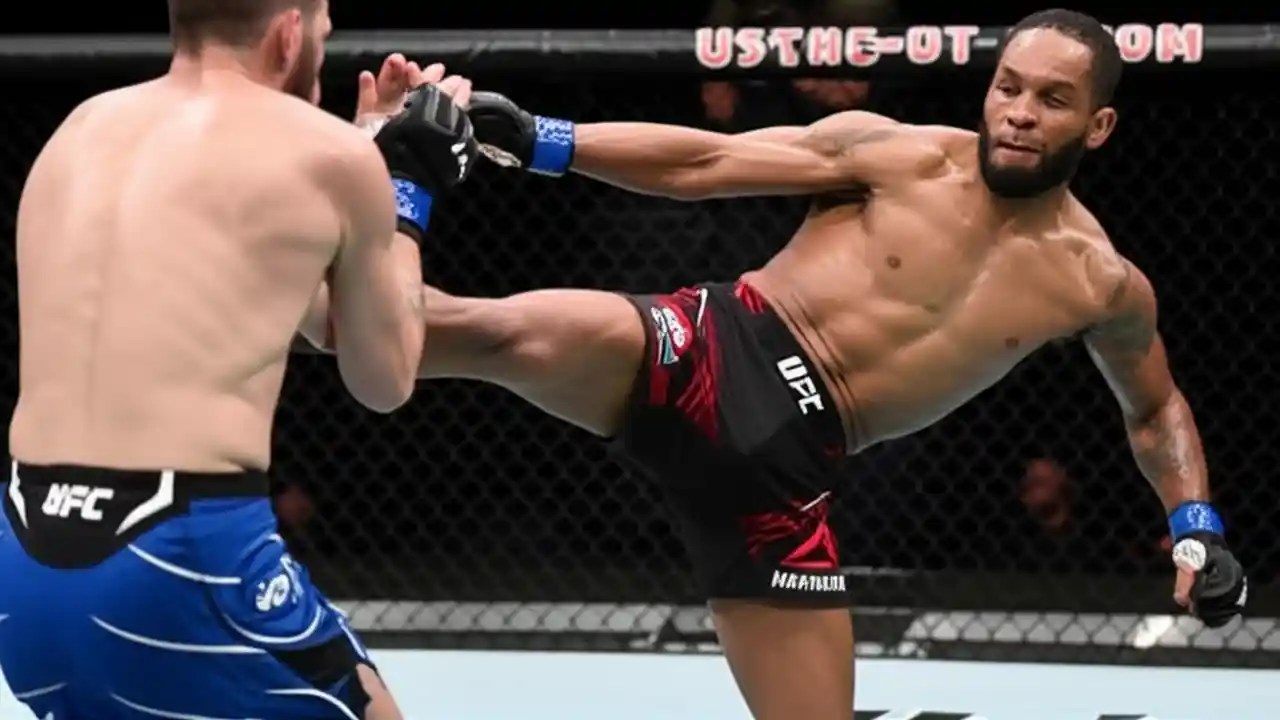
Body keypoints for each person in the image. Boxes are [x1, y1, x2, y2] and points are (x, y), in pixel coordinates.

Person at [305, 9, 1249, 720]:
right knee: (460, 332)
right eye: (1008, 87)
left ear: (1100, 127)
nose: (1017, 113)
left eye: (1051, 100)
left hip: (791, 474)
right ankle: (355, 196)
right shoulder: (897, 155)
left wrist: (1196, 526)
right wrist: (547, 140)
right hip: (710, 348)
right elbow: (707, 162)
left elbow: (1152, 405)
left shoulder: (1101, 282)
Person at [0, 0, 479, 717]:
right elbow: (384, 376)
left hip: (22, 554)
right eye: (323, 24)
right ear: (289, 33)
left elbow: (292, 296)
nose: (324, 39)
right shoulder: (329, 158)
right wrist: (405, 185)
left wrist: (369, 151)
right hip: (179, 544)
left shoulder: (81, 130)